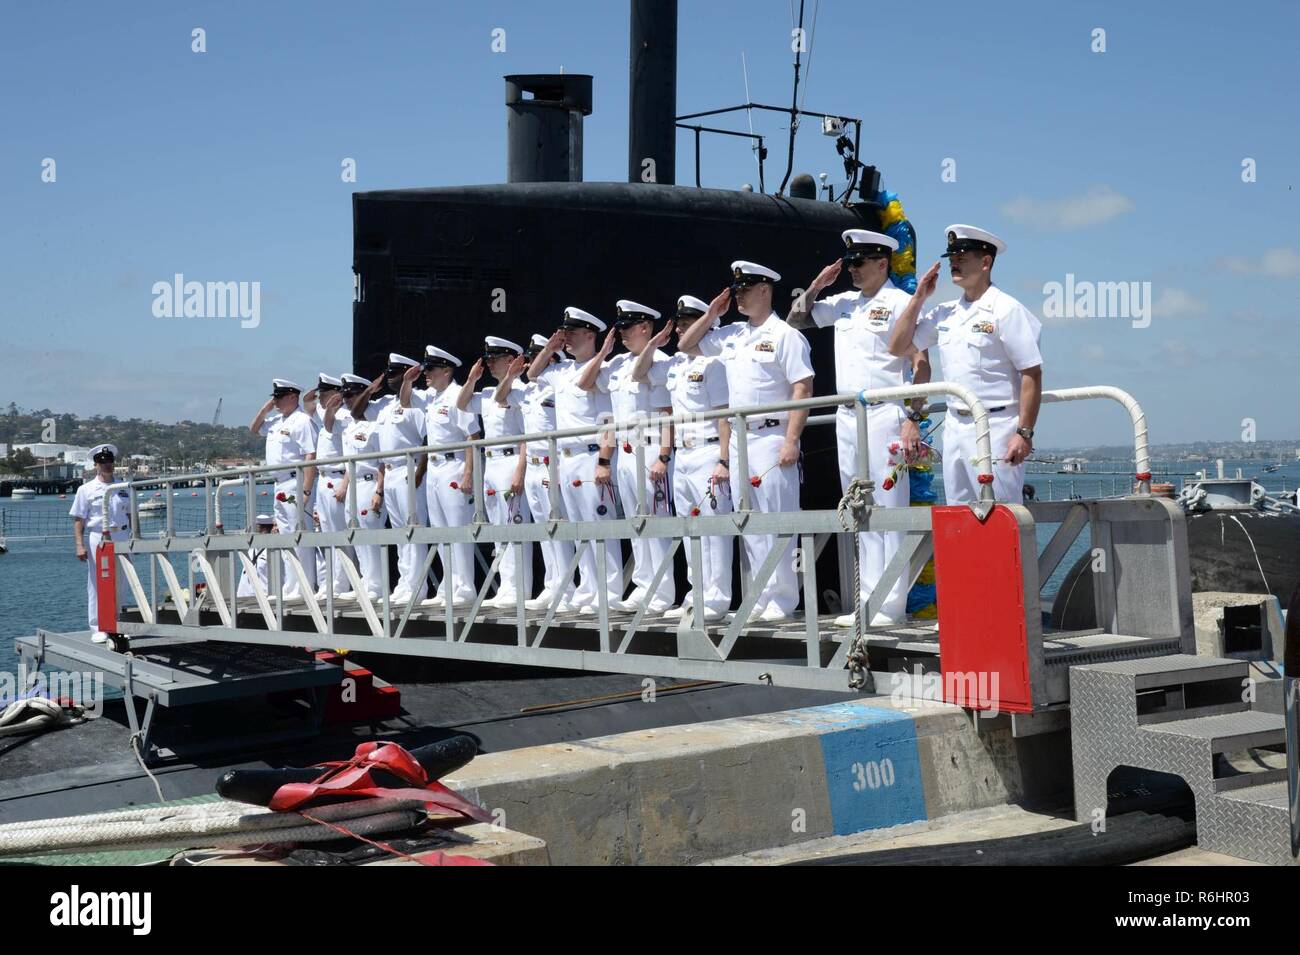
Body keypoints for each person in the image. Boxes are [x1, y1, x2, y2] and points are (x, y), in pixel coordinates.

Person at [788, 229, 932, 627]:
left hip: (886, 412)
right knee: (860, 506)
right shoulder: (844, 303)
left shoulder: (900, 303)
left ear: (882, 263)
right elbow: (795, 319)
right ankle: (869, 599)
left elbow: (921, 364)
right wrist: (819, 284)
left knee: (889, 506)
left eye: (859, 262)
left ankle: (892, 604)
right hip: (848, 414)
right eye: (849, 262)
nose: (852, 269)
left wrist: (913, 418)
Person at [676, 262, 814, 624]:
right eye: (735, 290)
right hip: (739, 438)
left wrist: (791, 440)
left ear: (765, 290)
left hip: (771, 435)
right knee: (749, 520)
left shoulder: (785, 335)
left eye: (744, 289)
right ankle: (763, 593)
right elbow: (686, 343)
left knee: (777, 518)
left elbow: (802, 387)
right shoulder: (732, 334)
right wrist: (711, 314)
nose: (737, 295)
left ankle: (783, 599)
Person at [887, 224, 1043, 504]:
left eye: (962, 256)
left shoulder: (1006, 310)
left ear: (985, 262)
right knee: (960, 517)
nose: (954, 263)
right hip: (954, 425)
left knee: (1000, 515)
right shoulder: (946, 313)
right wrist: (919, 297)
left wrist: (1024, 433)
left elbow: (1031, 373)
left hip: (995, 425)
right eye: (952, 258)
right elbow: (897, 347)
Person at [527, 308, 631, 614]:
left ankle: (608, 593)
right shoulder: (560, 372)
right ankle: (588, 590)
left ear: (590, 335)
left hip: (590, 455)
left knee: (600, 525)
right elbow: (532, 375)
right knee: (578, 528)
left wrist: (604, 460)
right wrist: (549, 349)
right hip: (566, 458)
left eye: (572, 334)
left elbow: (609, 420)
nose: (566, 339)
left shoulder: (604, 369)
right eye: (564, 333)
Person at [636, 296, 733, 621]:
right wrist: (654, 343)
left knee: (714, 527)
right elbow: (640, 372)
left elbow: (723, 416)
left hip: (708, 451)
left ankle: (716, 599)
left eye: (685, 323)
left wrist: (724, 459)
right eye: (678, 323)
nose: (678, 328)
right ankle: (696, 594)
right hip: (683, 455)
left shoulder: (714, 364)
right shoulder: (675, 364)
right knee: (691, 527)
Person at [594, 300, 675, 614]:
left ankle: (662, 592)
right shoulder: (616, 366)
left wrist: (663, 456)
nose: (622, 334)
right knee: (635, 524)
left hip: (650, 448)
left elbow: (667, 414)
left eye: (627, 328)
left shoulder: (659, 362)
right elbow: (603, 405)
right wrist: (606, 458)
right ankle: (644, 586)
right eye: (620, 329)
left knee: (656, 522)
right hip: (626, 453)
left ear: (646, 327)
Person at [496, 334, 577, 612]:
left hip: (552, 463)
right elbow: (500, 396)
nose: (530, 363)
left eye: (536, 357)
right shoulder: (527, 391)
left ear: (551, 360)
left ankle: (567, 590)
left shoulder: (556, 387)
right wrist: (511, 375)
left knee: (559, 526)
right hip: (532, 465)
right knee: (545, 530)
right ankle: (552, 585)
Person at [457, 337, 532, 610]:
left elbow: (526, 436)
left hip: (512, 462)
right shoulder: (488, 393)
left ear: (511, 360)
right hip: (491, 464)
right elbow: (462, 404)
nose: (489, 363)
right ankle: (506, 586)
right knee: (499, 530)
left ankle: (518, 588)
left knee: (514, 527)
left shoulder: (521, 392)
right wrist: (471, 381)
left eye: (495, 358)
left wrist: (520, 472)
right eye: (487, 359)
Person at [420, 345, 480, 609]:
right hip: (434, 469)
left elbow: (472, 437)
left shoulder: (458, 396)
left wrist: (468, 473)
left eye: (431, 369)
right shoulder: (432, 399)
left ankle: (465, 587)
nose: (426, 374)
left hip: (453, 466)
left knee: (458, 529)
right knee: (441, 530)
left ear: (447, 370)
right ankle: (448, 585)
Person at [249, 379, 318, 599]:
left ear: (292, 396)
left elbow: (310, 455)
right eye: (274, 398)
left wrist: (306, 490)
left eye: (278, 398)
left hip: (294, 481)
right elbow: (254, 429)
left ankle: (304, 586)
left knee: (299, 535)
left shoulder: (302, 421)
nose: (275, 402)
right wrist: (264, 410)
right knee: (286, 537)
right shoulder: (277, 421)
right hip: (279, 483)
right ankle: (291, 585)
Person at [370, 354, 430, 603]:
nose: (390, 377)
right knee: (399, 532)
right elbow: (357, 411)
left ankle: (417, 587)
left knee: (413, 529)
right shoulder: (385, 405)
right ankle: (406, 584)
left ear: (410, 373)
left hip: (409, 469)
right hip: (391, 472)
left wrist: (419, 473)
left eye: (396, 373)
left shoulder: (419, 399)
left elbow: (427, 439)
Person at [69, 443, 131, 643]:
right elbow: (79, 519)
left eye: (110, 461)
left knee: (121, 581)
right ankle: (98, 626)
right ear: (95, 464)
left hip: (121, 536)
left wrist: (135, 538)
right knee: (97, 582)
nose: (107, 465)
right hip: (98, 538)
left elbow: (131, 514)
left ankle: (118, 623)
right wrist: (79, 544)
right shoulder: (85, 490)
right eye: (102, 462)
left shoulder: (123, 487)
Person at [336, 373, 386, 599]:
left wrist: (379, 490)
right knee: (356, 535)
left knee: (371, 535)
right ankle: (366, 582)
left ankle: (376, 586)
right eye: (345, 396)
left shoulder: (375, 426)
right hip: (354, 486)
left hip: (369, 483)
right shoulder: (348, 427)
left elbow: (384, 461)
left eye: (352, 396)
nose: (348, 401)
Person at [308, 372, 352, 599]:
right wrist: (319, 394)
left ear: (336, 393)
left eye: (324, 393)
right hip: (323, 479)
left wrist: (345, 484)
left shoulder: (344, 417)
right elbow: (307, 401)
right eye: (320, 393)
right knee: (326, 534)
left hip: (338, 477)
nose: (319, 397)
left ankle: (343, 584)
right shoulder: (322, 413)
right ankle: (329, 582)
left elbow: (350, 454)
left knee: (340, 534)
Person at [236, 513, 276, 599]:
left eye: (255, 528)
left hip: (263, 596)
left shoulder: (271, 550)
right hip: (244, 595)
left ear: (263, 529)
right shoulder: (251, 548)